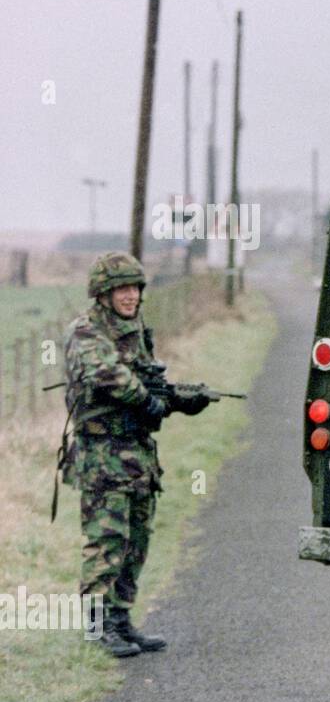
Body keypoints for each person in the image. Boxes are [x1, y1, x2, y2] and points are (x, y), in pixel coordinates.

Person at [62, 252, 211, 657]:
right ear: (103, 293)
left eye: (134, 289)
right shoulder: (86, 331)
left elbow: (148, 383)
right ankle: (97, 629)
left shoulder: (136, 330)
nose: (129, 296)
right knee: (106, 541)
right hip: (102, 455)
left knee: (137, 541)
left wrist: (180, 399)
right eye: (121, 289)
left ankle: (121, 619)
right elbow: (110, 376)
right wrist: (150, 401)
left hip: (138, 454)